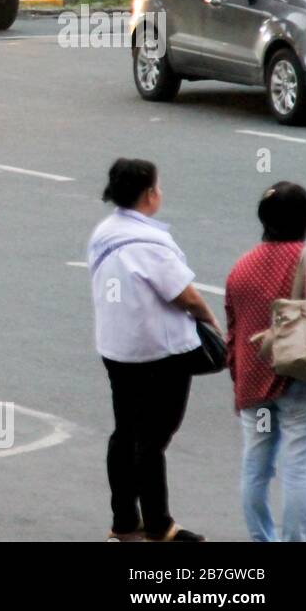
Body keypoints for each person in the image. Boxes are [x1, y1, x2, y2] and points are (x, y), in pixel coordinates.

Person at [87, 158, 216, 542]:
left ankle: (124, 521)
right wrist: (211, 321)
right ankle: (160, 526)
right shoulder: (152, 245)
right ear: (149, 194)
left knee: (125, 432)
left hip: (116, 347)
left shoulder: (104, 231)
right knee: (154, 439)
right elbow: (186, 296)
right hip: (161, 353)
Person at [225, 182, 306, 542]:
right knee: (299, 467)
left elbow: (233, 333)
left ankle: (262, 538)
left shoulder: (240, 268)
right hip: (299, 379)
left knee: (256, 468)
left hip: (254, 386)